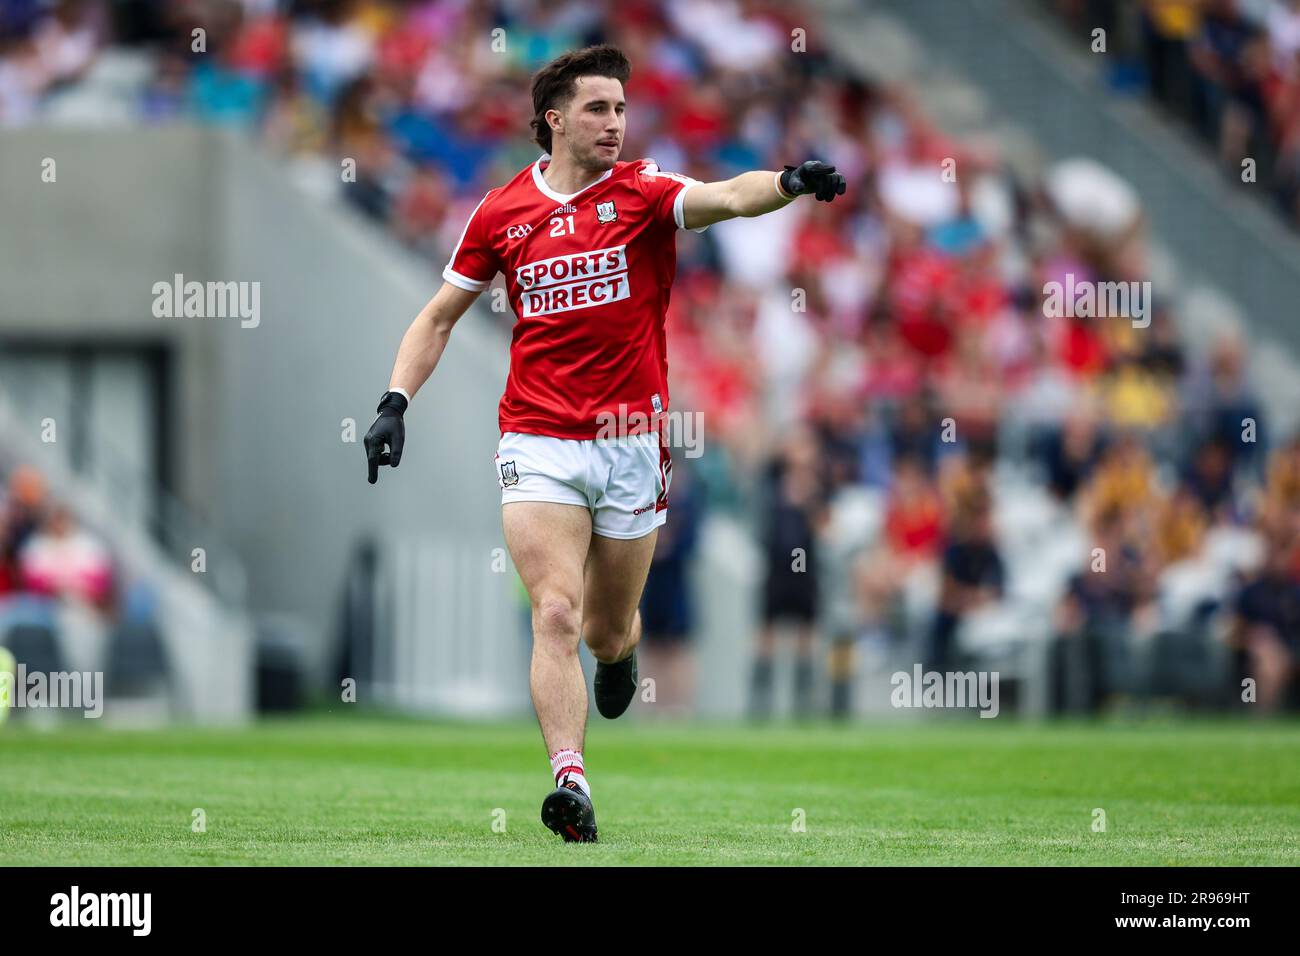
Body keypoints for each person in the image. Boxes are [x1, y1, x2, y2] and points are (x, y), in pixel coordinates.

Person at [363, 44, 846, 842]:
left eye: (621, 109)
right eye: (598, 109)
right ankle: (570, 782)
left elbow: (728, 195)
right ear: (554, 120)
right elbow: (439, 315)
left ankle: (621, 657)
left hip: (629, 443)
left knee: (605, 631)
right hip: (538, 437)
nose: (615, 123)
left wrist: (788, 184)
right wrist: (393, 401)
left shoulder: (646, 192)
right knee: (554, 611)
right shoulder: (500, 213)